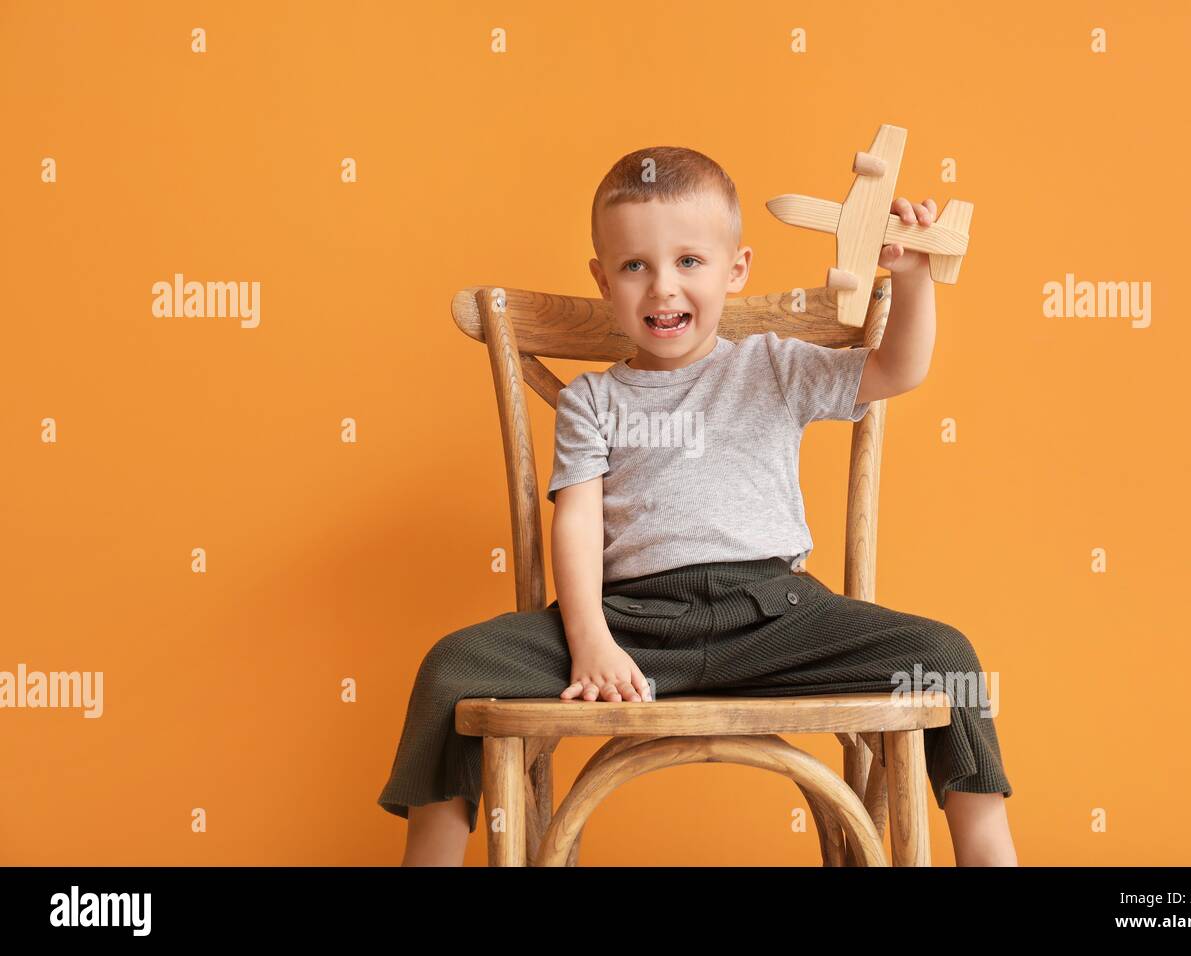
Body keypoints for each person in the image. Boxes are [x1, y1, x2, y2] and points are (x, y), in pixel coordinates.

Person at [378, 145, 1016, 866]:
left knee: (945, 659)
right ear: (602, 278)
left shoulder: (772, 366)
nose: (662, 289)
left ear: (735, 270)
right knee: (451, 667)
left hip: (778, 622)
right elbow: (579, 521)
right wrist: (590, 641)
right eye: (634, 266)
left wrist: (913, 279)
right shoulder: (596, 400)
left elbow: (899, 368)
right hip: (633, 632)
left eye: (688, 262)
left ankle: (989, 855)